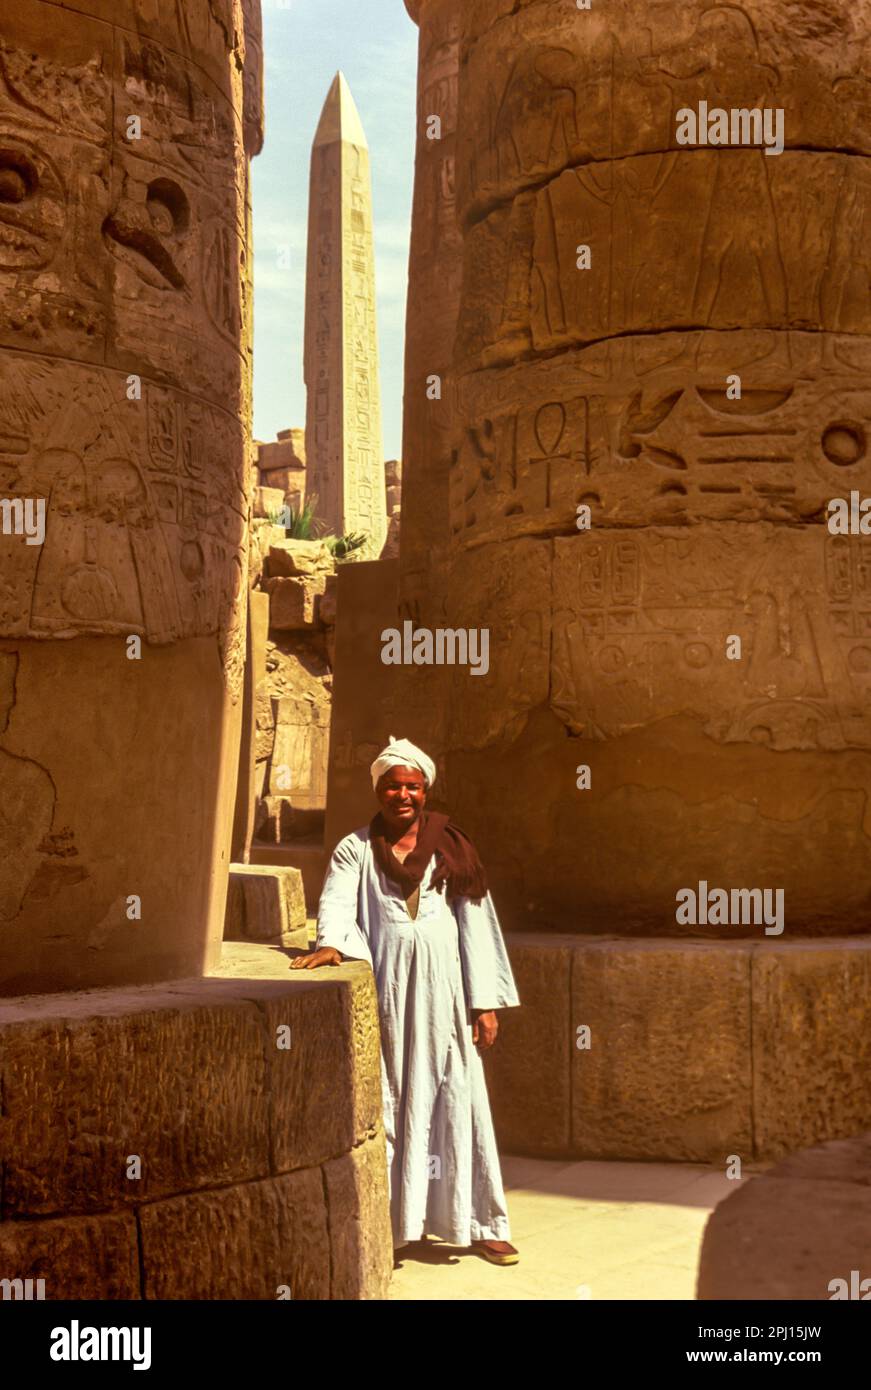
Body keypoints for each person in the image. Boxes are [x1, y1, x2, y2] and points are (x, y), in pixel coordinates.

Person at [291, 735, 521, 1265]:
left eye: (412, 786)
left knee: (457, 1098)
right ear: (378, 790)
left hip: (446, 997)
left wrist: (483, 1001)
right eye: (393, 786)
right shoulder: (356, 848)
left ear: (426, 789)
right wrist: (331, 943)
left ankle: (481, 1221)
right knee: (394, 1102)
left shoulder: (452, 847)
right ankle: (396, 1224)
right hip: (389, 998)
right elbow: (338, 901)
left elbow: (477, 926)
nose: (403, 796)